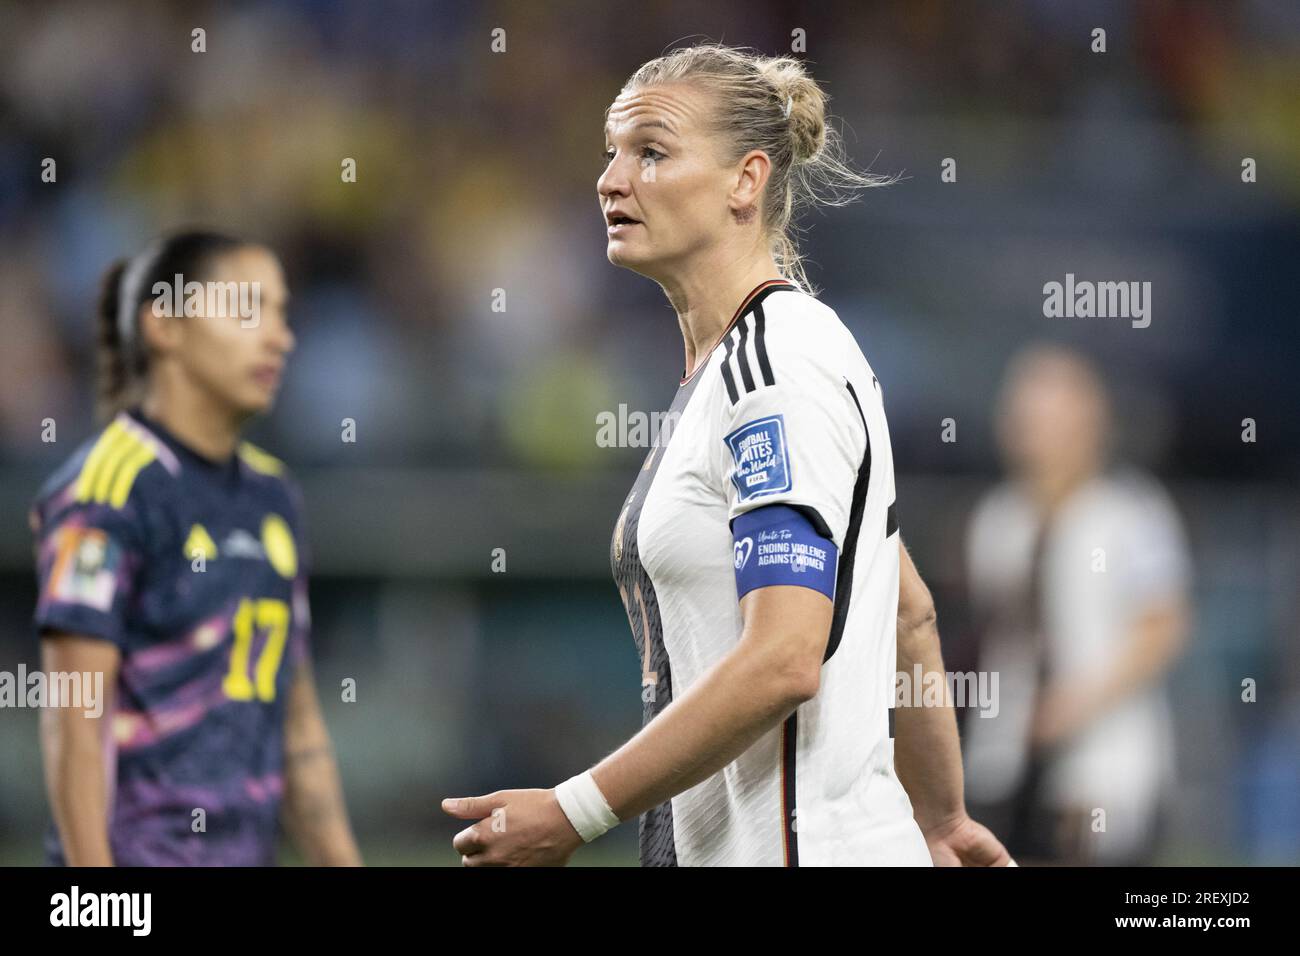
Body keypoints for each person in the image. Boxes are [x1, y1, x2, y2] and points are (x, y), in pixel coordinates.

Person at [443, 42, 1009, 866]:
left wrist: (573, 811)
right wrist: (943, 818)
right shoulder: (744, 367)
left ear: (747, 180)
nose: (611, 179)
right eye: (611, 152)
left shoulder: (774, 366)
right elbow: (903, 608)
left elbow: (784, 657)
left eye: (652, 152)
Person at [32, 229, 362, 866]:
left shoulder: (274, 496)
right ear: (166, 326)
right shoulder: (108, 491)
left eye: (282, 313)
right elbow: (75, 721)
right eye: (248, 309)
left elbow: (299, 733)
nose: (279, 337)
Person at [962, 345, 1192, 865]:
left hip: (1106, 769)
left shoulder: (1131, 512)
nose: (1029, 429)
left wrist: (1072, 704)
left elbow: (1164, 626)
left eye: (1048, 415)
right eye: (1022, 414)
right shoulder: (996, 520)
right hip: (1004, 764)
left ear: (1092, 421)